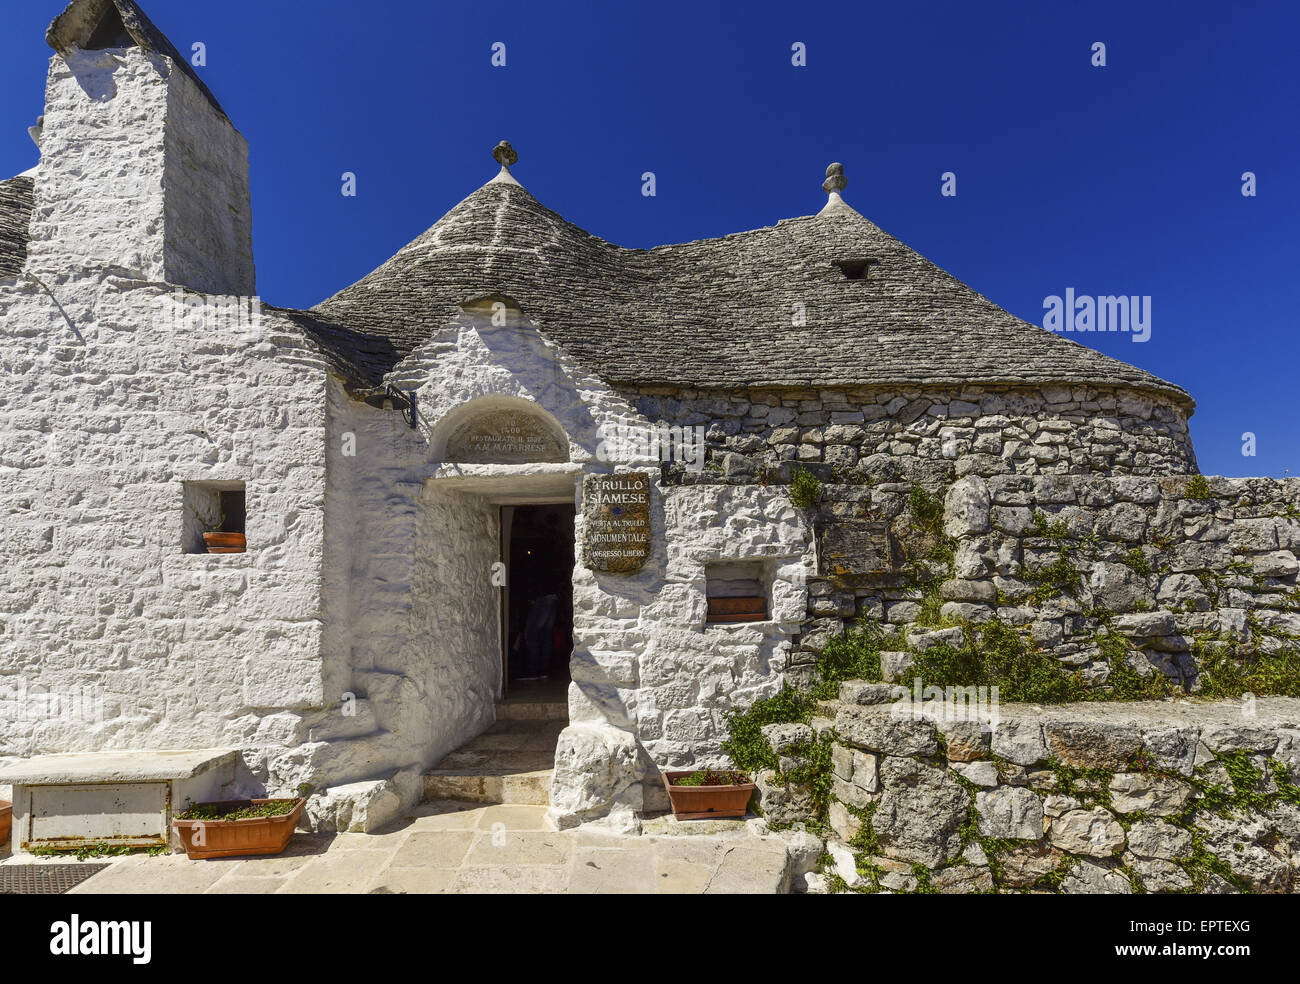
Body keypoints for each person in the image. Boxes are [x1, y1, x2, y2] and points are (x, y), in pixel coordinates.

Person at [520, 592, 559, 681]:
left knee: (531, 635)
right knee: (546, 637)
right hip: (552, 598)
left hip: (540, 599)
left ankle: (532, 671)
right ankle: (543, 671)